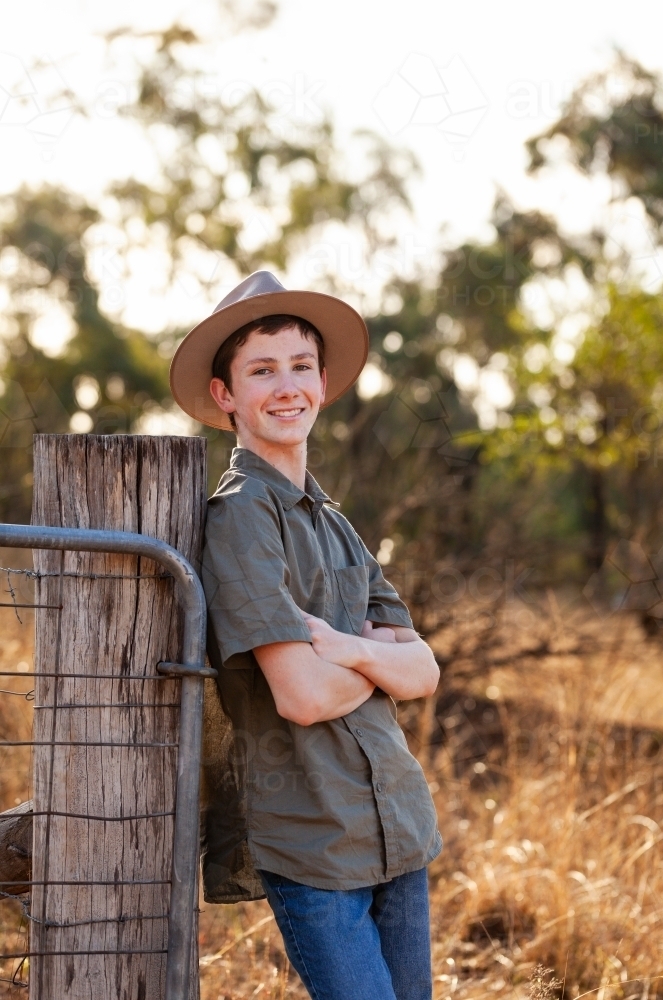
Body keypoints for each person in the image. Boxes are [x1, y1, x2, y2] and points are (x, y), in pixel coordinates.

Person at [170, 271, 442, 1000]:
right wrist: (377, 659)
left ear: (322, 381)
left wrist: (347, 648)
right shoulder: (240, 519)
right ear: (226, 395)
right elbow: (300, 695)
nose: (285, 386)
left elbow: (424, 674)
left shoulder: (335, 522)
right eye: (261, 370)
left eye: (299, 366)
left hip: (397, 826)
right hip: (314, 838)